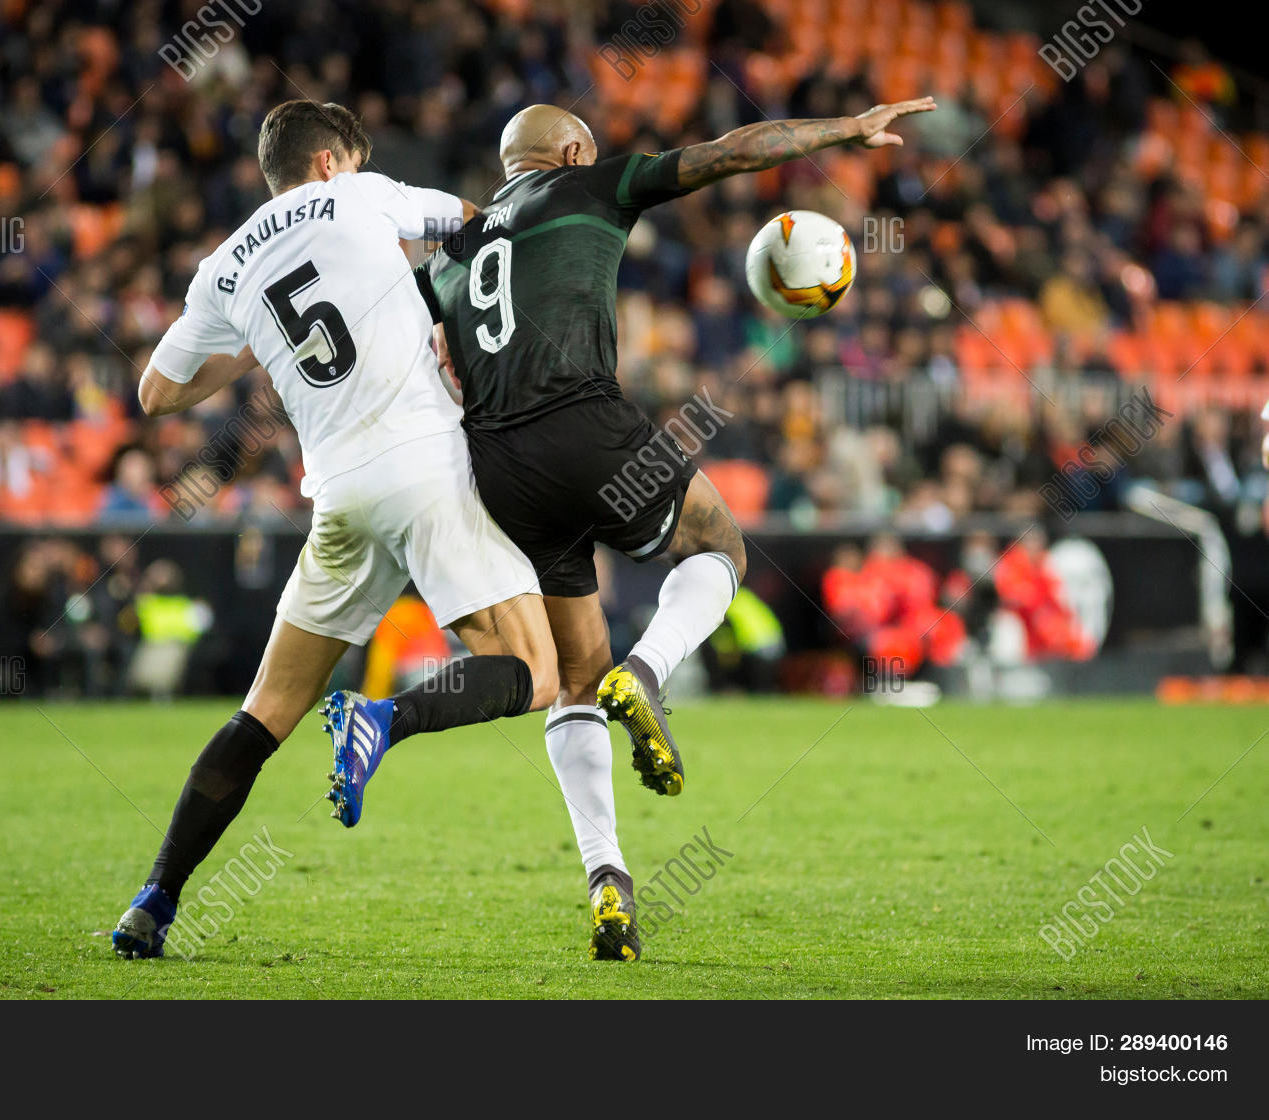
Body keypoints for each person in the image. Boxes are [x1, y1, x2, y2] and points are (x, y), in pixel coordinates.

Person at [415, 97, 936, 960]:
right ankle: (649, 674)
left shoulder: (451, 256)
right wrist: (843, 131)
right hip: (584, 424)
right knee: (719, 545)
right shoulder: (587, 186)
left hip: (499, 471)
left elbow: (430, 360)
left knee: (571, 681)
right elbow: (733, 152)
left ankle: (608, 885)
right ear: (573, 149)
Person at [112, 100, 559, 959]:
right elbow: (475, 222)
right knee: (538, 674)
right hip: (426, 467)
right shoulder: (364, 195)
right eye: (350, 159)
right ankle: (380, 719)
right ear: (329, 162)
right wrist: (447, 313)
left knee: (265, 711)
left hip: (341, 495)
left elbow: (156, 396)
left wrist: (253, 346)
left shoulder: (222, 269)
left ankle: (155, 897)